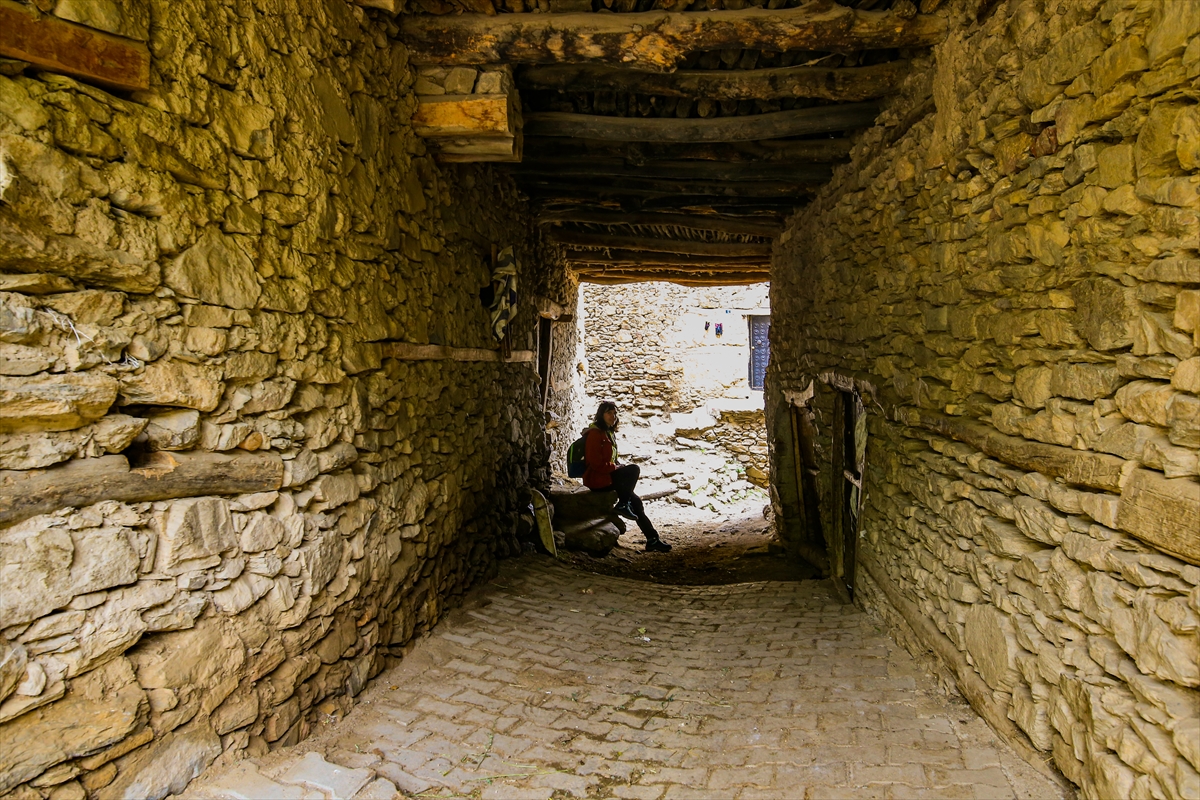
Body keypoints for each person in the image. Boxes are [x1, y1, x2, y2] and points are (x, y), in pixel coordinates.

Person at [582, 401, 671, 552]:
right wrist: (616, 468)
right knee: (634, 469)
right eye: (609, 413)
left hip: (607, 476)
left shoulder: (608, 433)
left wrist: (617, 466)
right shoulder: (595, 434)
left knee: (636, 503)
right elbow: (595, 463)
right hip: (597, 479)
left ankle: (652, 539)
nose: (613, 416)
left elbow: (610, 460)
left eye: (614, 413)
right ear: (601, 415)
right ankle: (623, 505)